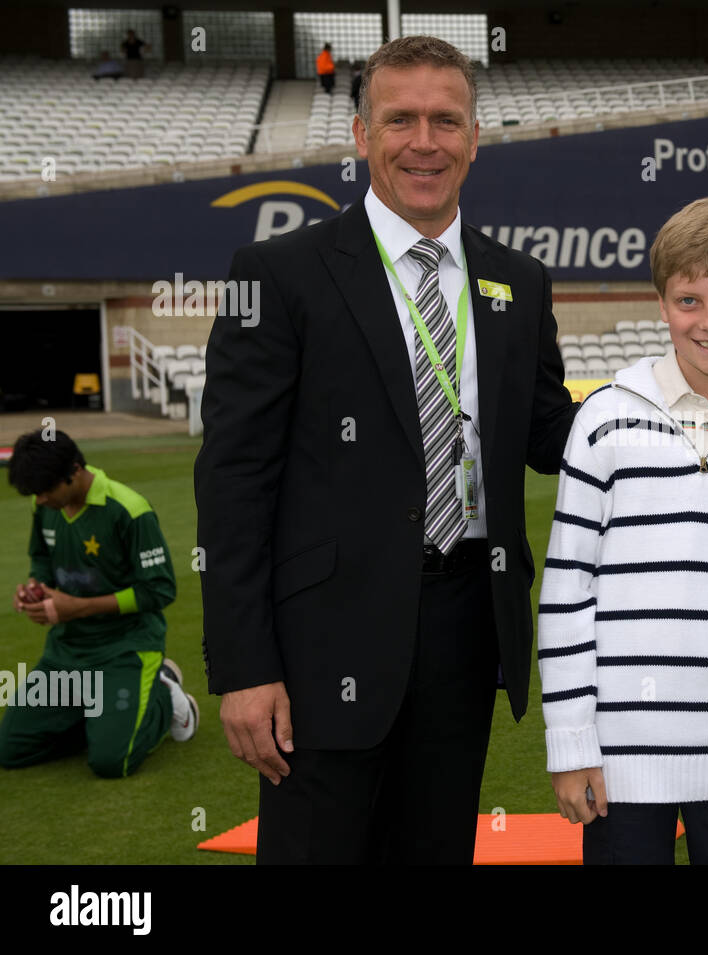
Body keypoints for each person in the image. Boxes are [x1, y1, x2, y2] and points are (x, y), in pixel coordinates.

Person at [194, 35, 580, 865]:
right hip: (320, 644)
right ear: (363, 135)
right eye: (400, 119)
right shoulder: (278, 272)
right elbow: (234, 478)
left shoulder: (518, 279)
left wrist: (682, 394)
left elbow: (554, 434)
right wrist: (244, 666)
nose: (425, 141)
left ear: (475, 137)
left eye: (446, 120)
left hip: (466, 627)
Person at [539, 188, 708, 864]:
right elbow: (567, 589)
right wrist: (571, 741)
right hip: (621, 764)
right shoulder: (604, 417)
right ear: (661, 304)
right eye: (689, 300)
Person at [2, 430, 195, 778]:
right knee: (11, 748)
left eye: (46, 490)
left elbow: (159, 590)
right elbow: (42, 559)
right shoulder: (43, 505)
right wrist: (36, 589)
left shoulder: (129, 509)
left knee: (112, 762)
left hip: (125, 647)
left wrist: (77, 607)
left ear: (74, 471)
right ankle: (102, 717)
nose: (41, 499)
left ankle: (167, 695)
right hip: (67, 650)